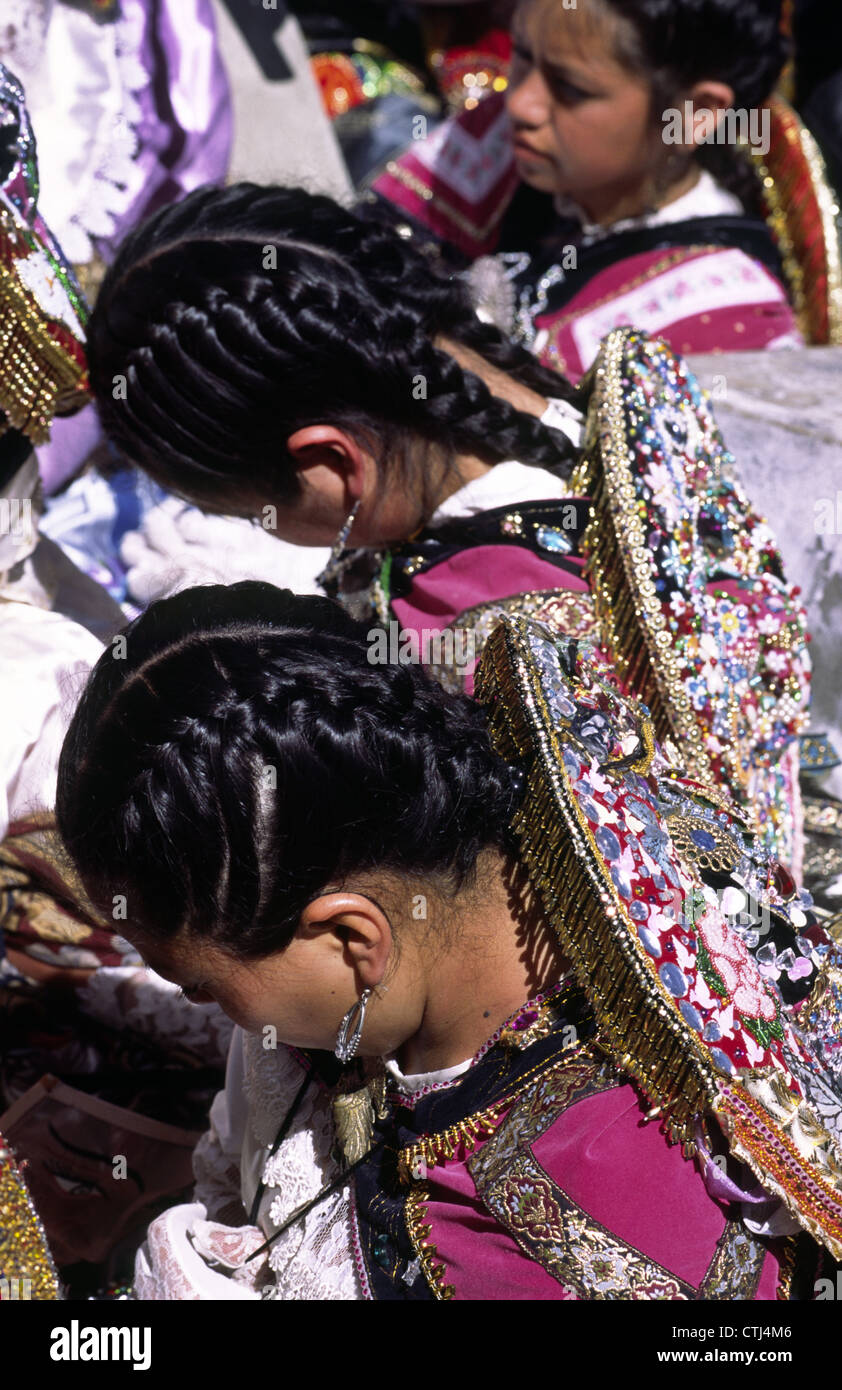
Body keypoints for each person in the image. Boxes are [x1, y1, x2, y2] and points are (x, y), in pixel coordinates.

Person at [54, 581, 842, 1300]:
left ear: (352, 941)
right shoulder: (522, 815)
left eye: (203, 985)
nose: (217, 1012)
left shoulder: (570, 1224)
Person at [85, 182, 809, 866]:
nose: (262, 529)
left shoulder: (468, 644)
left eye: (249, 511)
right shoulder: (617, 386)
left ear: (334, 464)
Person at [368, 0, 826, 376]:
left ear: (692, 115)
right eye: (524, 56)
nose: (523, 103)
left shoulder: (728, 323)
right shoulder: (501, 141)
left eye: (571, 88)